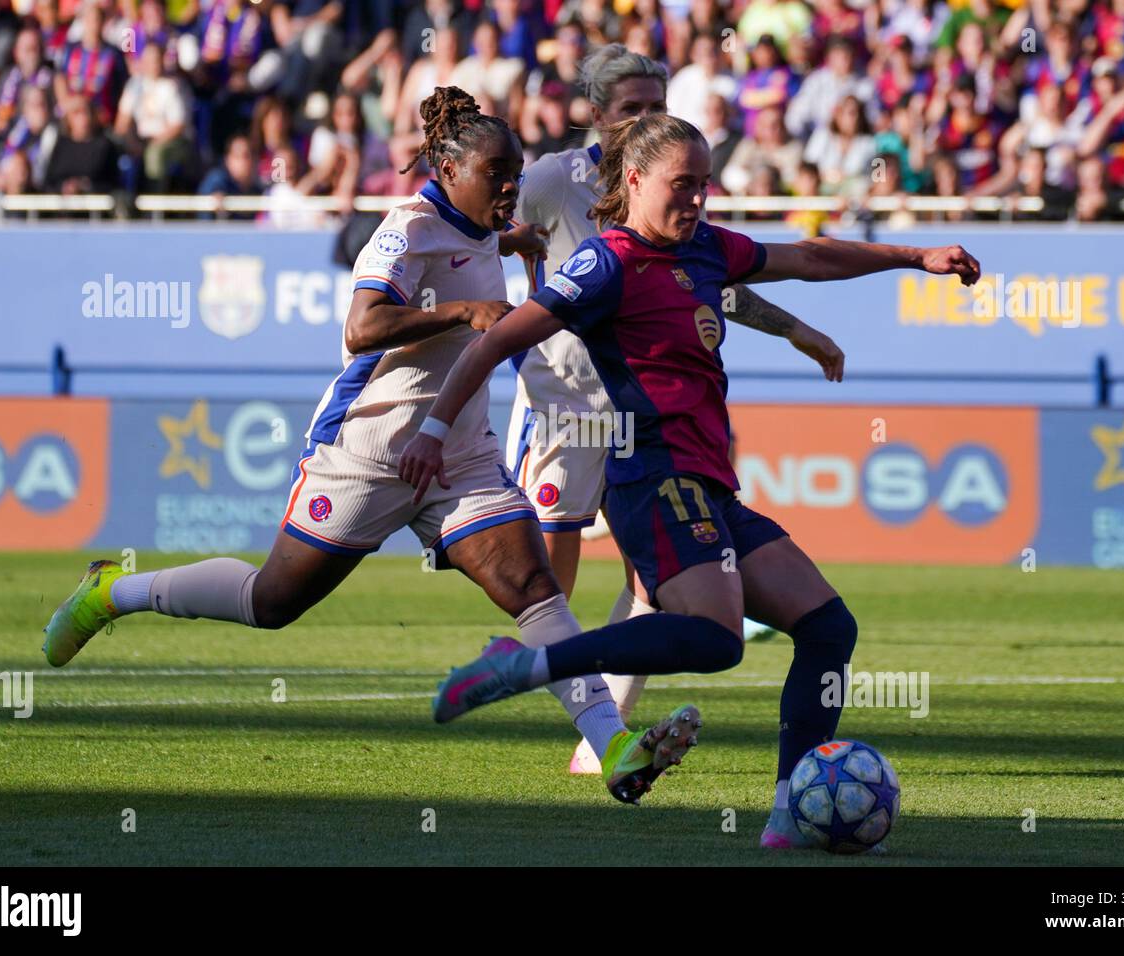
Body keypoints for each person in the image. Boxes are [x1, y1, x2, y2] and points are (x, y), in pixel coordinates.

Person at [42, 87, 702, 807]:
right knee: (272, 602)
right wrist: (462, 310)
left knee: (534, 586)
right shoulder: (406, 226)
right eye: (497, 174)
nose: (511, 185)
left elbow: (476, 246)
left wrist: (505, 240)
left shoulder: (484, 223)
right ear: (448, 172)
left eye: (516, 171)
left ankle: (611, 748)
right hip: (369, 449)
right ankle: (115, 591)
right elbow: (361, 328)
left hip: (457, 456)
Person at [399, 112, 980, 849]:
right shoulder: (603, 265)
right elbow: (495, 343)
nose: (698, 201)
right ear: (635, 180)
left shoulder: (704, 249)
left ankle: (787, 815)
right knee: (717, 638)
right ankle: (524, 663)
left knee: (829, 626)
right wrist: (433, 429)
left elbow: (807, 256)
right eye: (684, 185)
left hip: (709, 486)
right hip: (652, 477)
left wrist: (912, 256)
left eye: (705, 186)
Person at [502, 42, 843, 776]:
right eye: (631, 109)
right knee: (548, 585)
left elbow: (709, 279)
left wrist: (796, 329)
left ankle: (603, 741)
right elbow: (488, 225)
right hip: (566, 406)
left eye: (656, 108)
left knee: (652, 578)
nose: (645, 119)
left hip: (643, 411)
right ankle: (571, 702)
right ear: (596, 115)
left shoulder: (673, 201)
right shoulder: (552, 181)